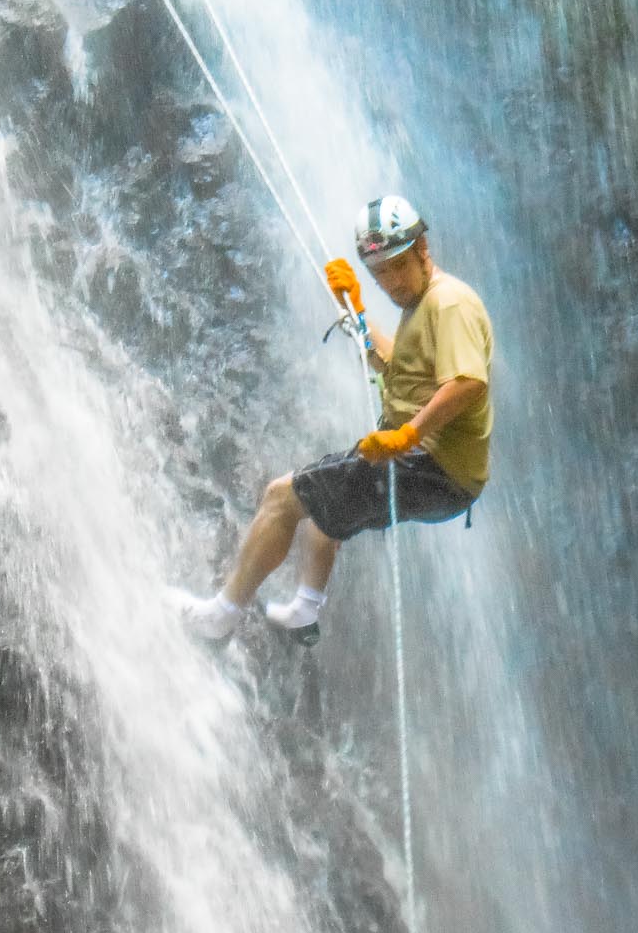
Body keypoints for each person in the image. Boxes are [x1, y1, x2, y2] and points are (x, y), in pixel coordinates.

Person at [178, 195, 493, 643]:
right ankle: (305, 611)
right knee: (327, 499)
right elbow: (393, 367)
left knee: (282, 497)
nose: (391, 281)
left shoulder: (449, 303)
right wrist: (357, 311)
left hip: (431, 466)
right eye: (378, 272)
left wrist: (407, 435)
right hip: (442, 473)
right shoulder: (421, 306)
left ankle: (219, 617)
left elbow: (467, 383)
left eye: (398, 266)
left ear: (423, 248)